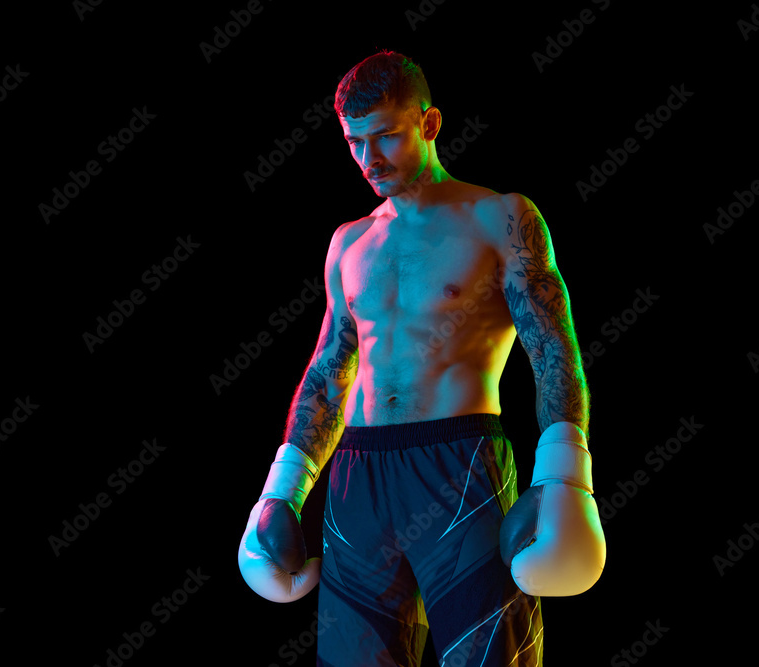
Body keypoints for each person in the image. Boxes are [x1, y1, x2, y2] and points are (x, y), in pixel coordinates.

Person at [239, 50, 605, 666]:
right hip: (357, 475)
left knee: (491, 659)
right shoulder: (348, 241)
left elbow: (553, 349)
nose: (368, 159)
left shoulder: (499, 216)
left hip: (459, 467)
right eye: (355, 142)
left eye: (386, 136)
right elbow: (330, 372)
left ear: (430, 124)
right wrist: (282, 491)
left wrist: (564, 475)